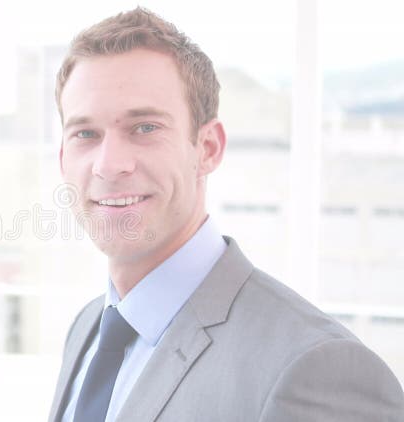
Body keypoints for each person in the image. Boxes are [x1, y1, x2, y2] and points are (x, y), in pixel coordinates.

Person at [48, 6, 404, 422]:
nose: (109, 165)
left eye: (144, 128)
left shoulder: (316, 369)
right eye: (85, 134)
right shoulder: (87, 328)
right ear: (61, 159)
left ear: (209, 148)